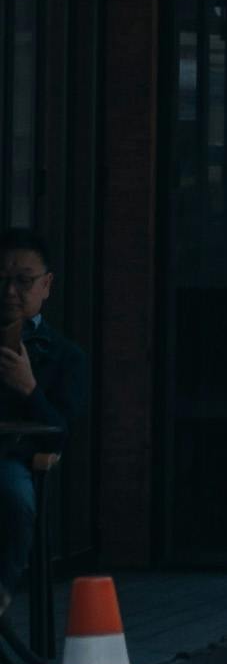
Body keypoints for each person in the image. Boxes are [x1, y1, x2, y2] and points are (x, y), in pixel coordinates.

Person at [0, 227, 91, 634]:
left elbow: (60, 432)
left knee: (15, 495)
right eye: (2, 279)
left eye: (23, 280)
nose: (10, 291)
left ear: (46, 285)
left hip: (15, 459)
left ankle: (2, 593)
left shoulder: (65, 356)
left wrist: (29, 387)